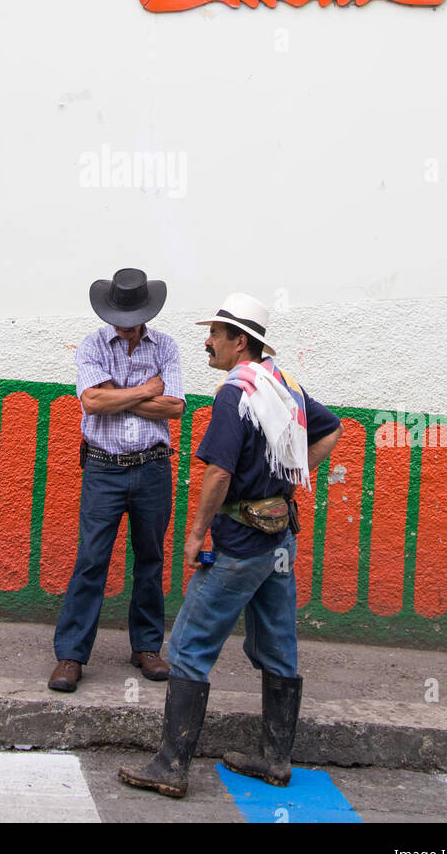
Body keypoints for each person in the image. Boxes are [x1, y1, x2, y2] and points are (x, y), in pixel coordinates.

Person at [118, 292, 343, 798]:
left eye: (216, 334)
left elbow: (218, 473)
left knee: (188, 648)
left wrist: (196, 534)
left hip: (240, 542)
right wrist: (287, 481)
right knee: (279, 648)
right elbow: (332, 431)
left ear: (239, 342)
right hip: (279, 536)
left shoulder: (232, 394)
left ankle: (171, 766)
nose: (208, 341)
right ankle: (275, 760)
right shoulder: (282, 384)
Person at [48, 268, 186, 693]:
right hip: (103, 468)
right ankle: (71, 655)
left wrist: (117, 397)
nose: (124, 323)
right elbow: (92, 402)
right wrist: (146, 389)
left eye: (132, 314)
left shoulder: (167, 346)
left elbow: (175, 408)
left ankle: (146, 648)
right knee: (91, 559)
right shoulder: (92, 344)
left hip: (153, 467)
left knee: (151, 559)